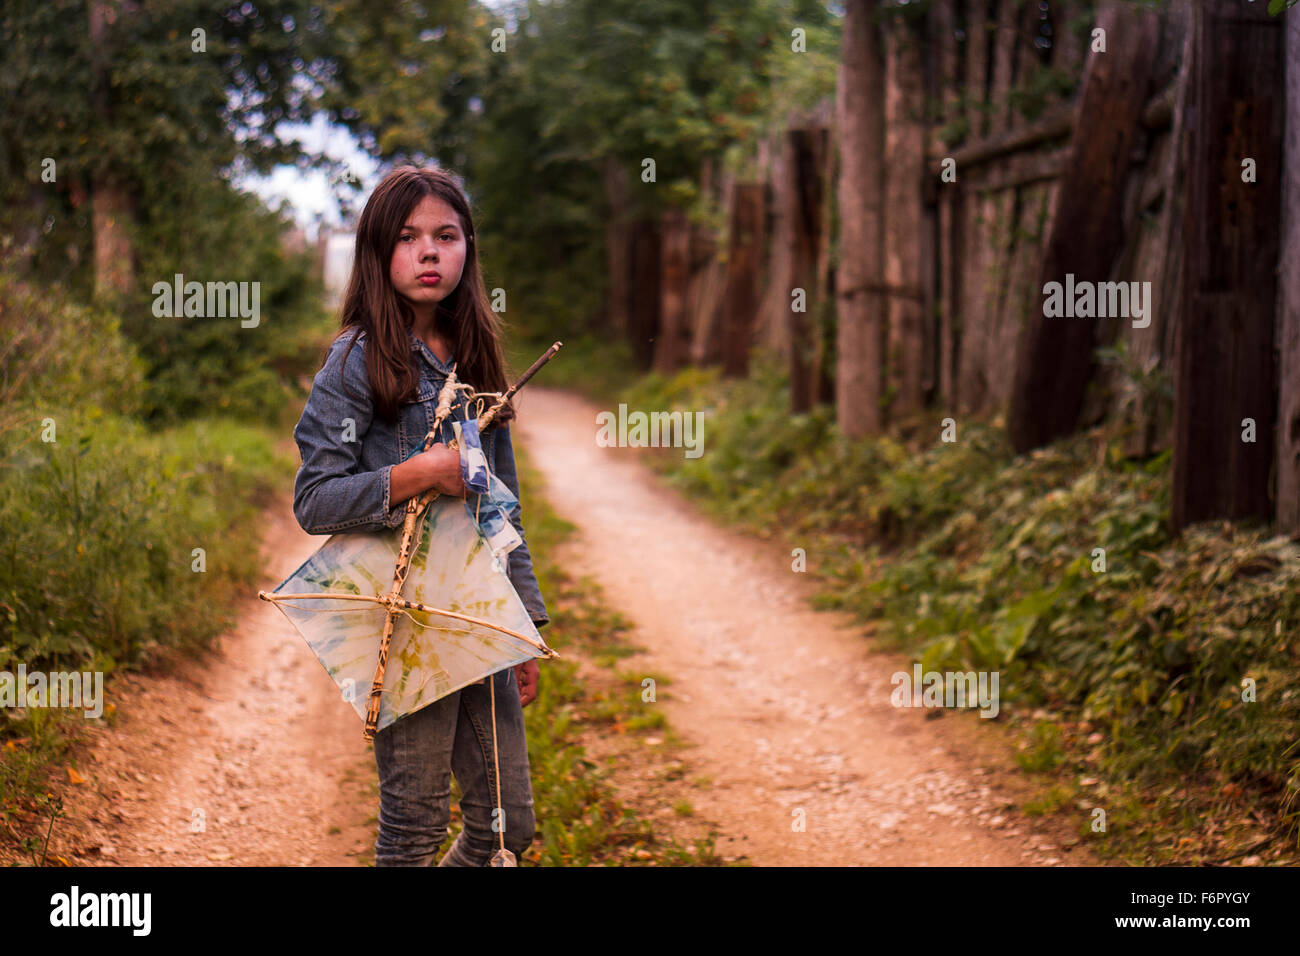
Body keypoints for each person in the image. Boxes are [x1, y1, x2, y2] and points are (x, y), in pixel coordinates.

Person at [290, 165, 549, 866]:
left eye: (445, 235)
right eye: (407, 238)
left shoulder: (475, 360)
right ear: (378, 253)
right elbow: (315, 499)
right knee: (414, 827)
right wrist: (419, 473)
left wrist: (524, 622)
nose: (429, 253)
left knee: (507, 828)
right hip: (402, 624)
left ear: (468, 249)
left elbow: (503, 504)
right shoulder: (356, 362)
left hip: (475, 613)